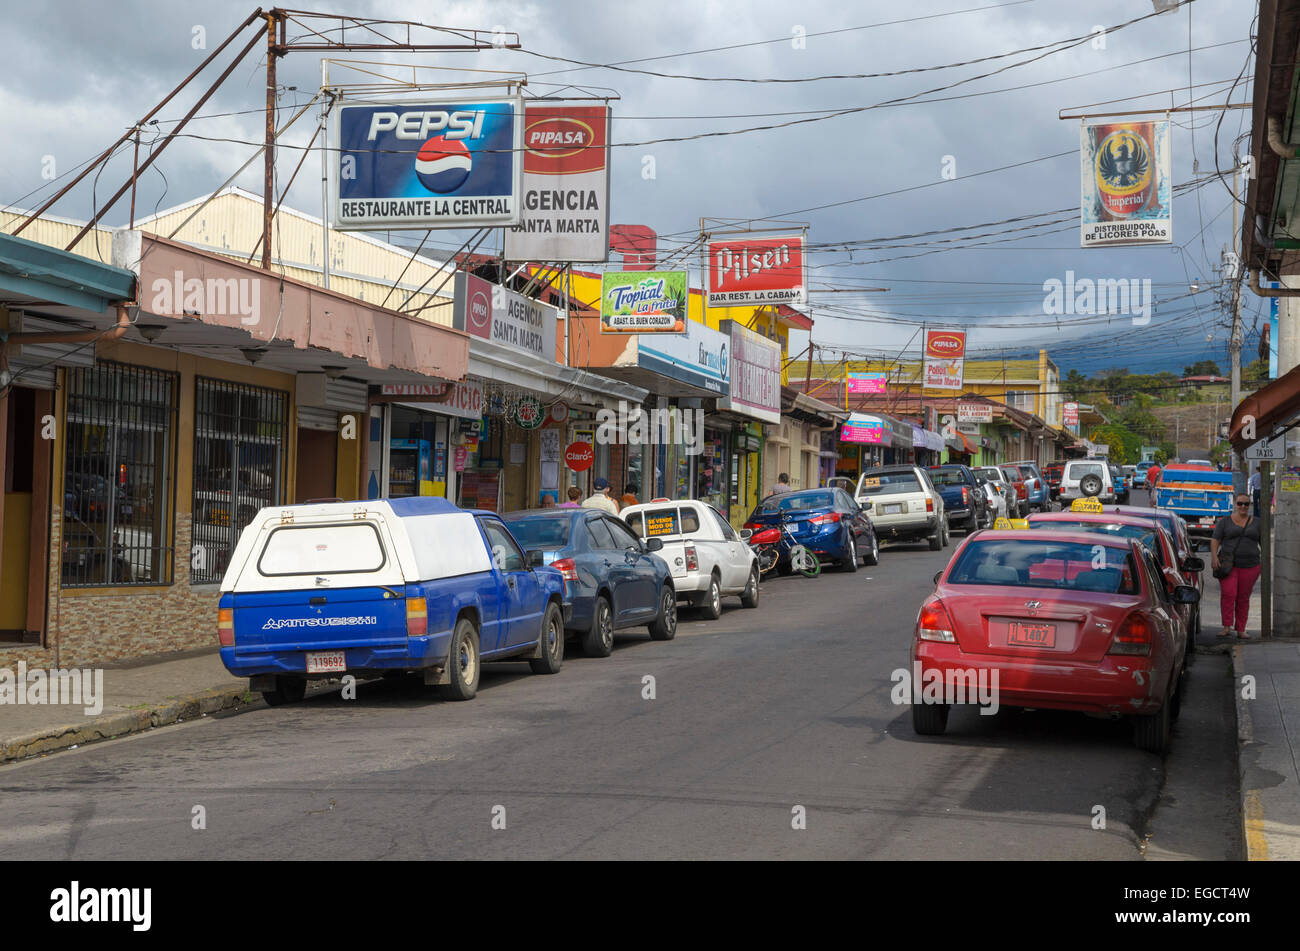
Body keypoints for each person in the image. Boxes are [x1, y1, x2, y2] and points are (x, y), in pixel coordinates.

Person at [1211, 493, 1262, 639]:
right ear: (1235, 504)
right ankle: (1226, 627)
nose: (1243, 507)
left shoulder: (1257, 522)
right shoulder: (1225, 521)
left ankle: (1241, 629)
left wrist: (1264, 563)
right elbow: (1215, 540)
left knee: (1243, 598)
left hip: (1251, 566)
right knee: (1229, 594)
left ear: (1250, 505)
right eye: (1240, 503)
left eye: (1246, 504)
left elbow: (1263, 542)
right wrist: (1214, 557)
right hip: (1228, 565)